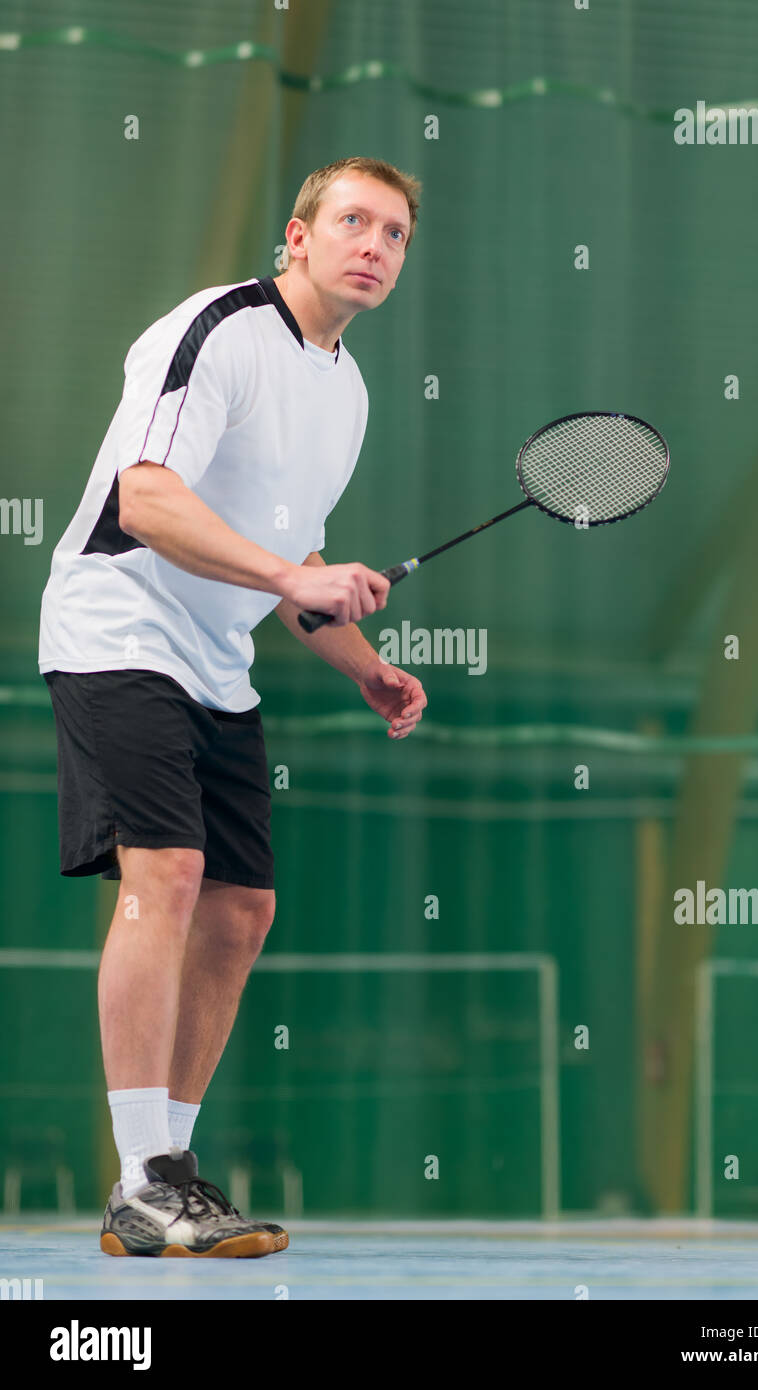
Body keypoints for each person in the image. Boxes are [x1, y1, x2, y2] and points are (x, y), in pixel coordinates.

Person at [37, 155, 428, 1258]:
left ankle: (166, 1179)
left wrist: (361, 662)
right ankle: (141, 1177)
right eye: (352, 221)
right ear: (296, 237)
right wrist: (292, 579)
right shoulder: (215, 328)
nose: (374, 245)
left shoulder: (345, 392)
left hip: (214, 658)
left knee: (242, 909)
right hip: (116, 626)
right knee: (167, 870)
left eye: (394, 234)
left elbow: (290, 555)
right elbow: (148, 499)